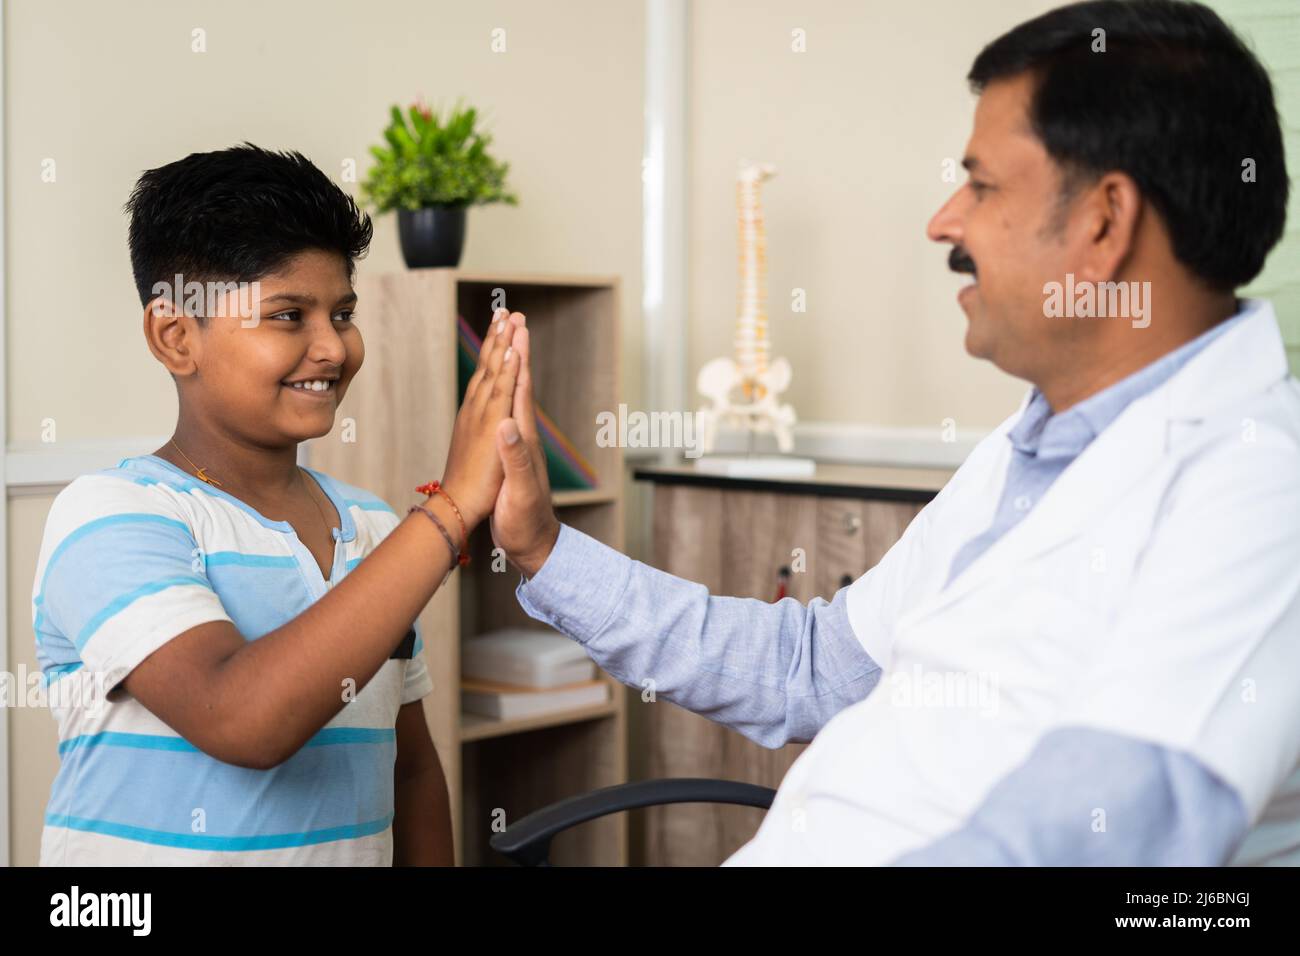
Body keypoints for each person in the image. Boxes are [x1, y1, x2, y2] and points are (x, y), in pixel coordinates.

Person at [490, 0, 1300, 864]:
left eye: (982, 185)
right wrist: (543, 548)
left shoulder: (1258, 486)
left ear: (1104, 221)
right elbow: (809, 672)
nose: (944, 221)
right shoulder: (1025, 452)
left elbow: (1092, 836)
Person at [32, 143, 529, 864]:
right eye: (289, 315)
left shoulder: (372, 527)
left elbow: (411, 768)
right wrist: (452, 509)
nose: (333, 348)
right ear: (176, 337)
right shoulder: (110, 514)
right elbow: (242, 721)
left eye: (344, 313)